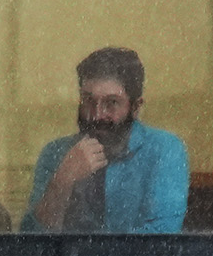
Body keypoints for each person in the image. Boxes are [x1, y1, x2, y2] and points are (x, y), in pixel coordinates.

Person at [25, 45, 189, 234]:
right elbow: (29, 240)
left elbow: (159, 238)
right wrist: (63, 180)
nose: (96, 115)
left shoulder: (164, 150)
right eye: (88, 100)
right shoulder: (55, 153)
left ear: (135, 108)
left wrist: (85, 254)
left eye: (111, 103)